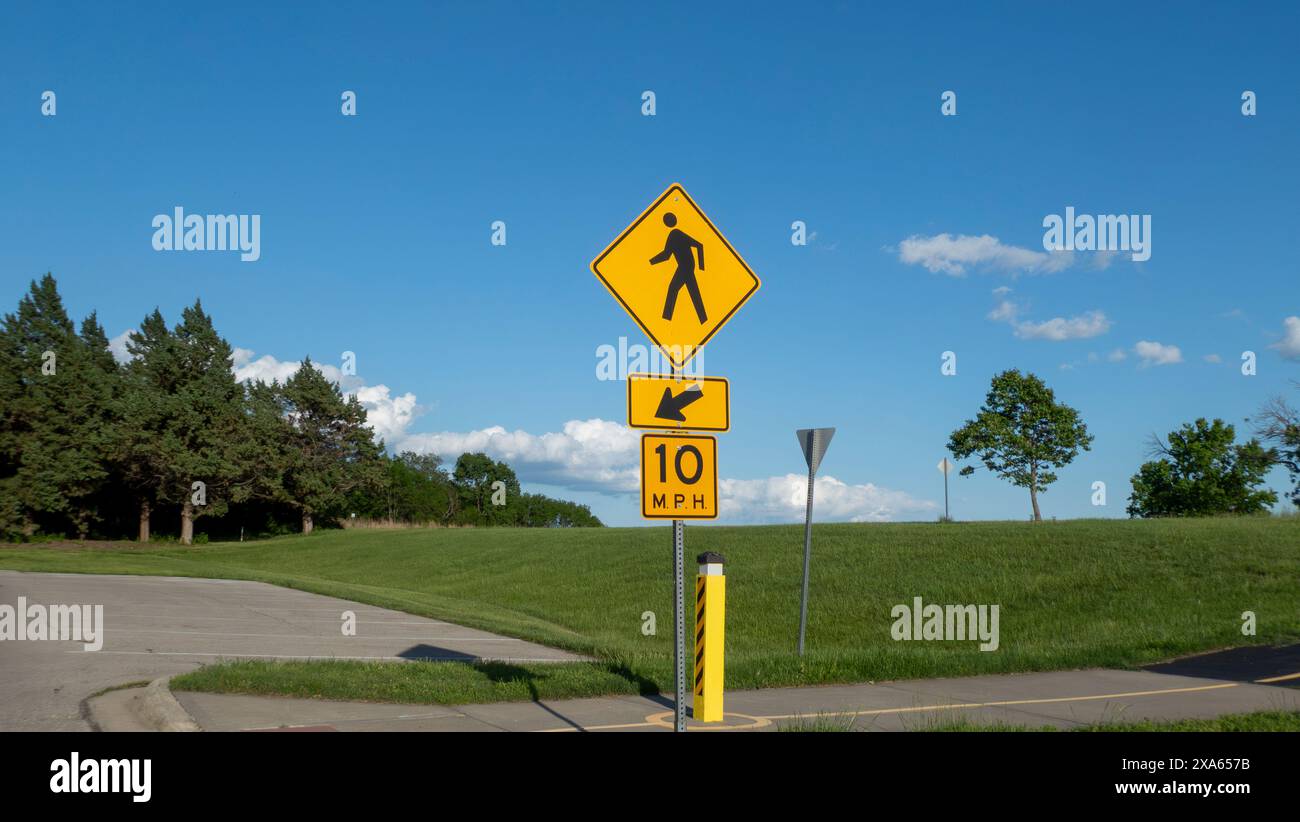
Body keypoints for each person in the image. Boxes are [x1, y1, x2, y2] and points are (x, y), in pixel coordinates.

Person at [649, 212, 707, 323]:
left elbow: (699, 245)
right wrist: (651, 262)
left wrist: (702, 267)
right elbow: (667, 255)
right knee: (694, 293)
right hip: (687, 266)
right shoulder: (675, 234)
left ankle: (666, 319)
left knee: (673, 289)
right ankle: (703, 319)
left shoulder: (675, 234)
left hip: (685, 266)